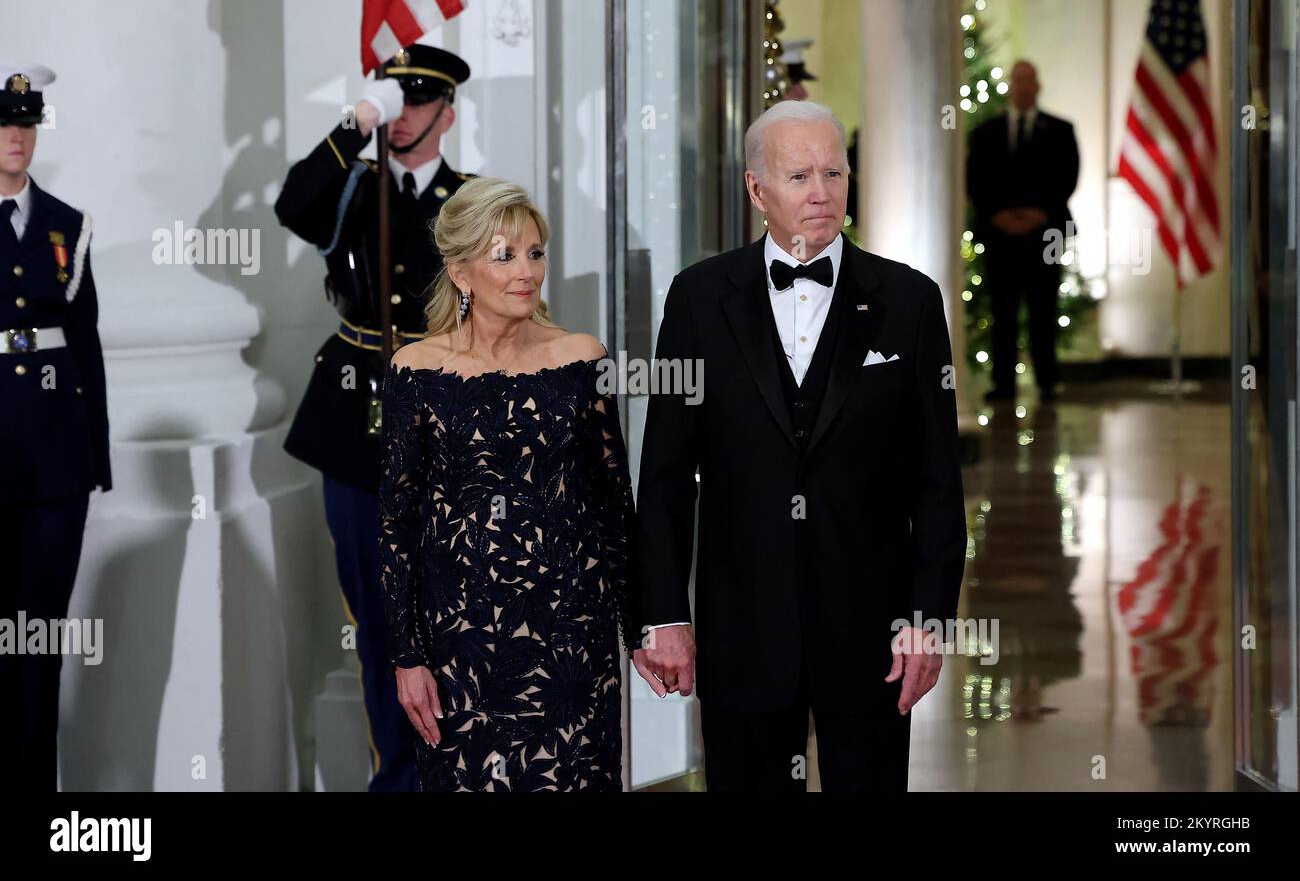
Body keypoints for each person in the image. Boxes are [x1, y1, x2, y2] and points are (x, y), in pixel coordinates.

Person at [630, 100, 967, 792]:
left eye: (833, 173)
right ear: (757, 190)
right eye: (799, 176)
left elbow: (937, 480)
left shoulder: (910, 300)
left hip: (873, 634)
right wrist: (662, 613)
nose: (821, 192)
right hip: (742, 629)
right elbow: (665, 475)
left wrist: (928, 620)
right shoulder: (698, 299)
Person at [379, 177, 636, 791]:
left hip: (571, 637)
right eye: (505, 256)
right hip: (459, 645)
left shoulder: (582, 358)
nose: (527, 272)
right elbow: (396, 527)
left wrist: (646, 627)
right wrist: (407, 657)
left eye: (535, 253)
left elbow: (614, 506)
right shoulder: (415, 369)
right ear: (460, 273)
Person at [274, 44, 473, 791]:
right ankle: (397, 779)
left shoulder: (472, 200)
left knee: (456, 616)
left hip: (447, 422)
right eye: (396, 99)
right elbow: (293, 205)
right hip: (356, 421)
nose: (404, 114)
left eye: (418, 101)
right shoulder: (353, 187)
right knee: (381, 623)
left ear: (447, 114)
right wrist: (356, 122)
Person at [0, 63, 111, 791]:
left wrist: (95, 455)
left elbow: (85, 342)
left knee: (37, 644)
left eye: (26, 123)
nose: (17, 136)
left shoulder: (68, 224)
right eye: (4, 124)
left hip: (54, 461)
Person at [966, 60, 1080, 402]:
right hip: (999, 236)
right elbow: (976, 180)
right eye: (1019, 81)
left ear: (1038, 86)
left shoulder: (1060, 130)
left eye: (1030, 81)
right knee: (1002, 311)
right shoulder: (986, 133)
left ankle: (1047, 381)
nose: (1025, 87)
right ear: (1011, 87)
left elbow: (1067, 176)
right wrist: (999, 215)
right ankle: (1003, 384)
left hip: (1046, 234)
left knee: (1044, 308)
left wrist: (1038, 213)